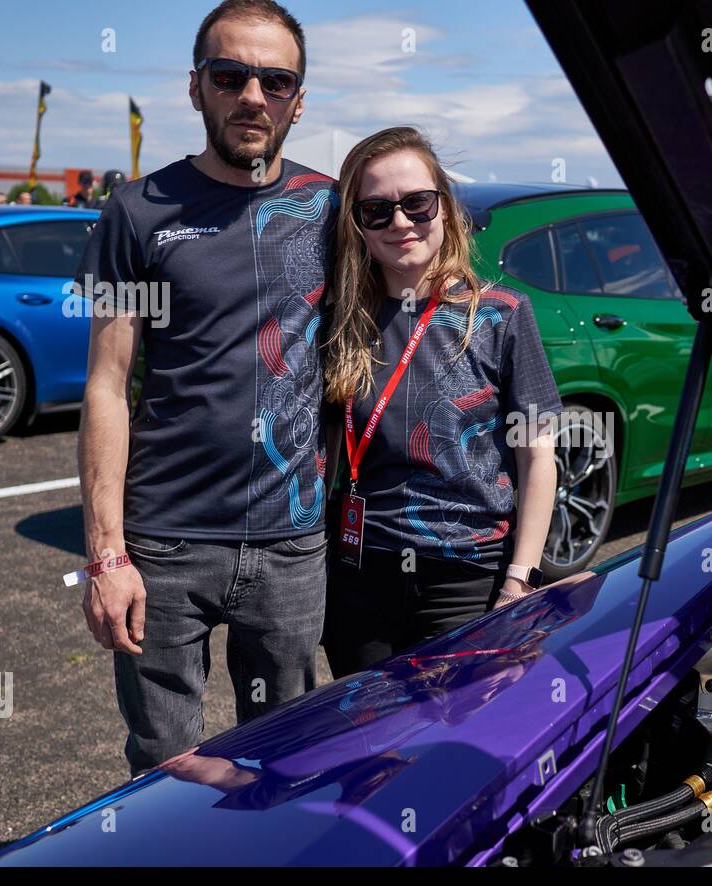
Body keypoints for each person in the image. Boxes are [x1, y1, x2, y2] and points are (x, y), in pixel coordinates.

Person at [75, 0, 337, 775]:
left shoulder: (329, 208)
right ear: (196, 88)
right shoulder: (137, 213)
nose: (252, 96)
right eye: (231, 75)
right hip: (164, 542)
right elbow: (106, 388)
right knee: (164, 768)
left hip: (291, 543)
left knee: (288, 760)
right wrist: (105, 555)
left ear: (297, 98)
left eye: (275, 80)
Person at [319, 126, 561, 679]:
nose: (400, 222)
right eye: (376, 210)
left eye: (416, 204)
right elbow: (328, 447)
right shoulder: (342, 322)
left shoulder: (501, 314)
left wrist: (520, 578)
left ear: (445, 209)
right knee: (369, 744)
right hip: (360, 574)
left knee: (451, 741)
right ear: (358, 225)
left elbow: (537, 458)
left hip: (467, 577)